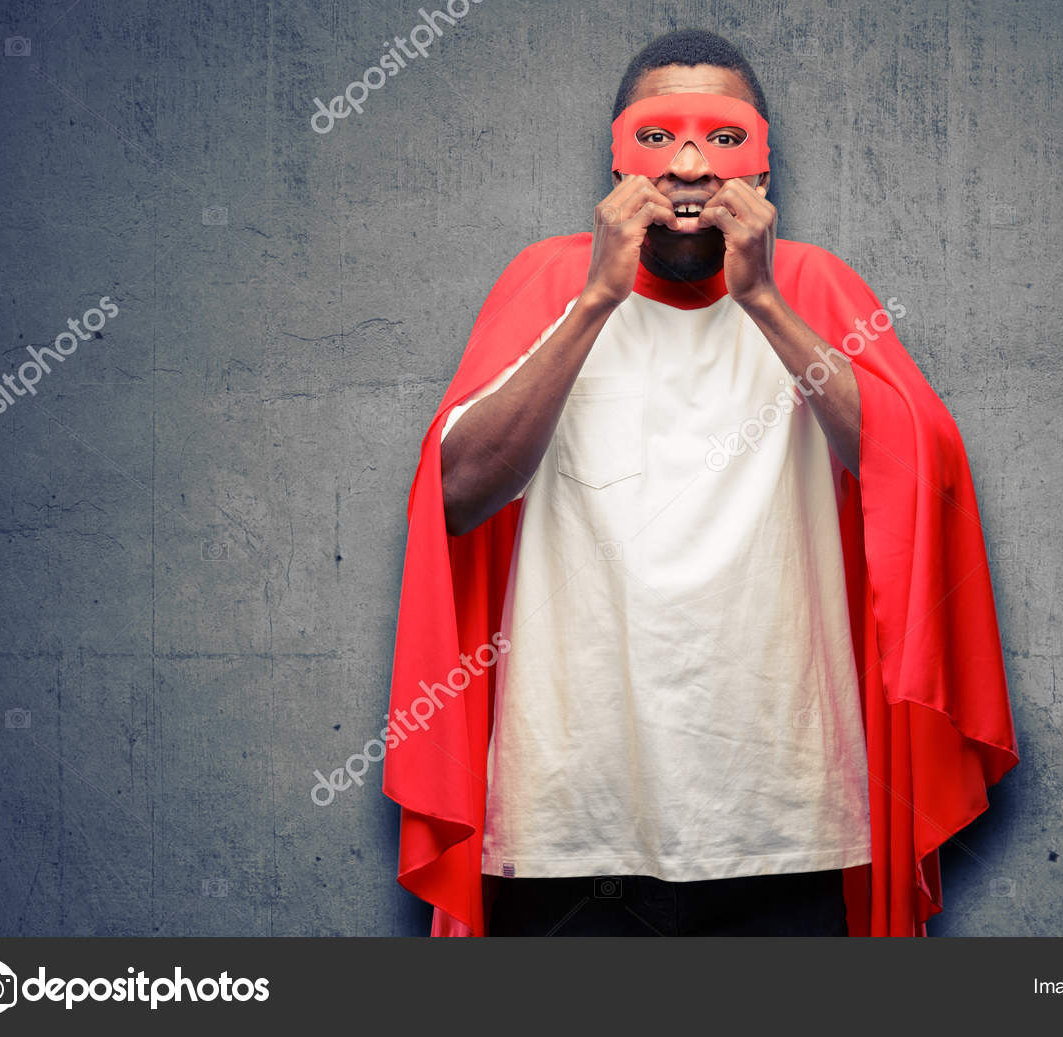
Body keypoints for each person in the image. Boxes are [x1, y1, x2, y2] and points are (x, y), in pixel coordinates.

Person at [384, 28, 1018, 937]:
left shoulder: (816, 287)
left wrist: (762, 299)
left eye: (721, 140)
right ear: (616, 161)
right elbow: (454, 492)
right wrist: (595, 298)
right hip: (572, 825)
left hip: (786, 823)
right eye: (658, 138)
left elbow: (919, 473)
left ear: (761, 170)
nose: (688, 166)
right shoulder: (545, 283)